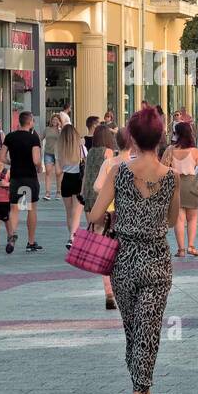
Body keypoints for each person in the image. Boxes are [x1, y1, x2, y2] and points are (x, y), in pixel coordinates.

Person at [87, 107, 179, 394]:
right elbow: (171, 221)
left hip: (123, 261)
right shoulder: (170, 176)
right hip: (155, 259)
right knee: (148, 332)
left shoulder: (118, 172)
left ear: (133, 137)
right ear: (160, 138)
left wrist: (122, 215)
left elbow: (97, 213)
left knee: (134, 331)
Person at [82, 124, 120, 307]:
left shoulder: (90, 152)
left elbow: (88, 178)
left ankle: (108, 290)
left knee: (101, 244)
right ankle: (114, 289)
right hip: (108, 204)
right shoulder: (109, 154)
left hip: (90, 200)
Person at [0, 111, 43, 253]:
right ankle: (31, 242)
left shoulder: (10, 137)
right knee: (31, 209)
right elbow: (36, 160)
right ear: (30, 122)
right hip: (29, 177)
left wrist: (11, 162)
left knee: (14, 209)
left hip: (16, 177)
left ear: (19, 122)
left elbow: (1, 156)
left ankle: (11, 236)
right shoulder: (33, 138)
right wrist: (39, 167)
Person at [163, 120, 198, 257]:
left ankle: (181, 249)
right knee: (193, 218)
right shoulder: (195, 151)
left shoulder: (170, 150)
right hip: (191, 184)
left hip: (176, 184)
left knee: (179, 219)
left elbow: (162, 167)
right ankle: (191, 246)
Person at [59, 123, 87, 249]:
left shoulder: (60, 149)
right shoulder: (81, 148)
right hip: (78, 179)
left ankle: (71, 237)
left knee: (69, 212)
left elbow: (59, 169)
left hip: (66, 179)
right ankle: (72, 238)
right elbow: (85, 164)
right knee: (76, 212)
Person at [42, 113, 62, 200]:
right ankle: (47, 193)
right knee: (48, 172)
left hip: (58, 154)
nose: (54, 121)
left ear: (59, 121)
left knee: (58, 173)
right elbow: (41, 138)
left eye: (56, 120)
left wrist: (60, 128)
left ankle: (58, 192)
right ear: (51, 121)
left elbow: (64, 139)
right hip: (48, 153)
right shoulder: (47, 129)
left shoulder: (61, 130)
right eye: (53, 120)